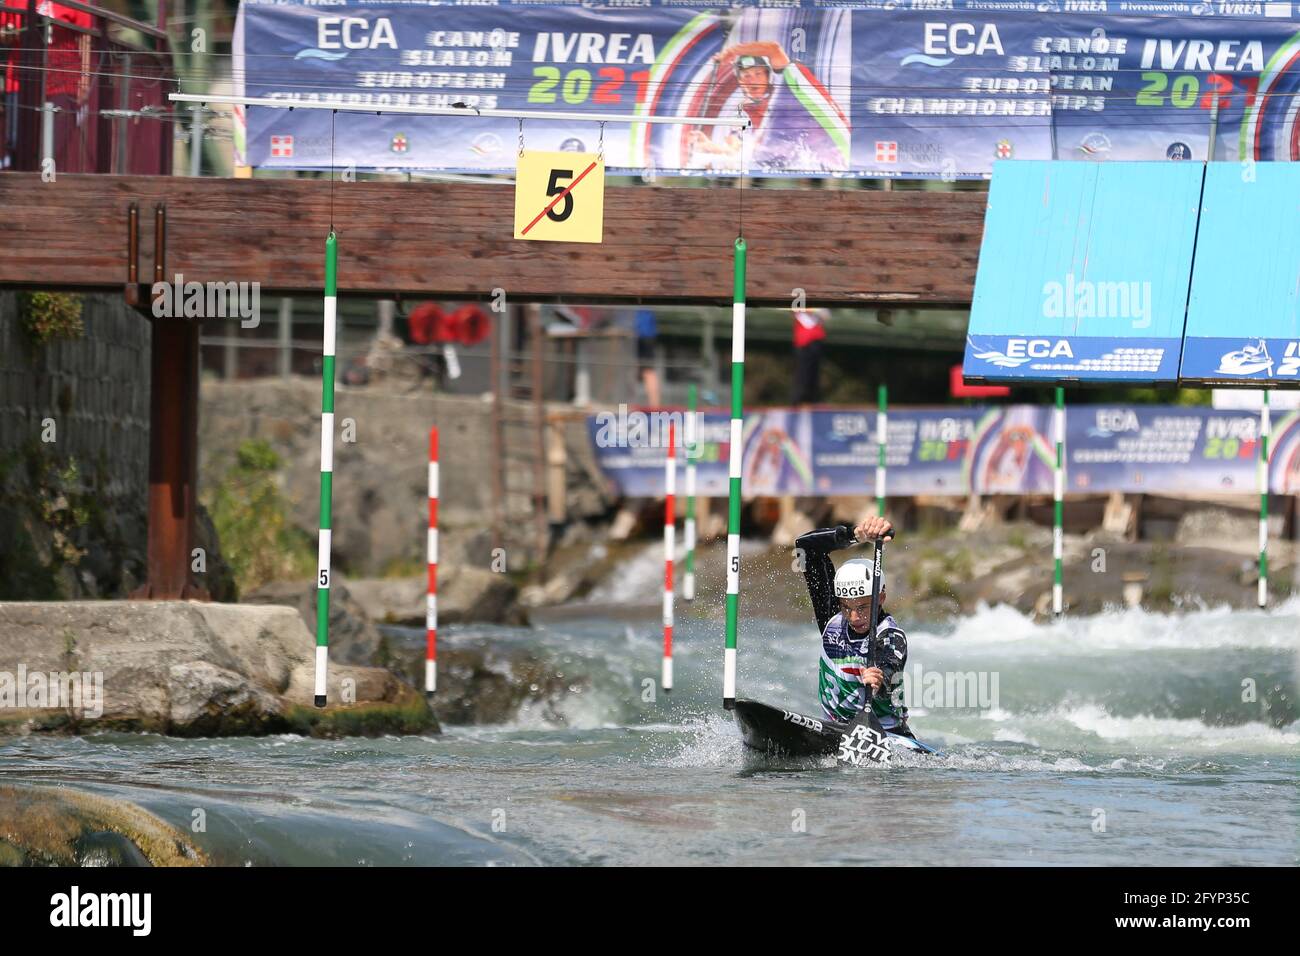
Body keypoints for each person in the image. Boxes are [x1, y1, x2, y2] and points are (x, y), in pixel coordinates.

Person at [794, 515, 913, 737]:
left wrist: (878, 679)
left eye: (863, 607)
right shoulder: (832, 616)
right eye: (846, 607)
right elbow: (804, 546)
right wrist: (855, 535)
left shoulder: (890, 635)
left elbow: (888, 665)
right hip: (835, 730)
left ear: (881, 597)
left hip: (888, 734)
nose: (854, 617)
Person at [791, 307, 828, 406]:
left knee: (814, 373)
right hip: (803, 343)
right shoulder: (799, 307)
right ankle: (799, 399)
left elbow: (825, 315)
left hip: (815, 341)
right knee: (802, 372)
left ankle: (814, 399)